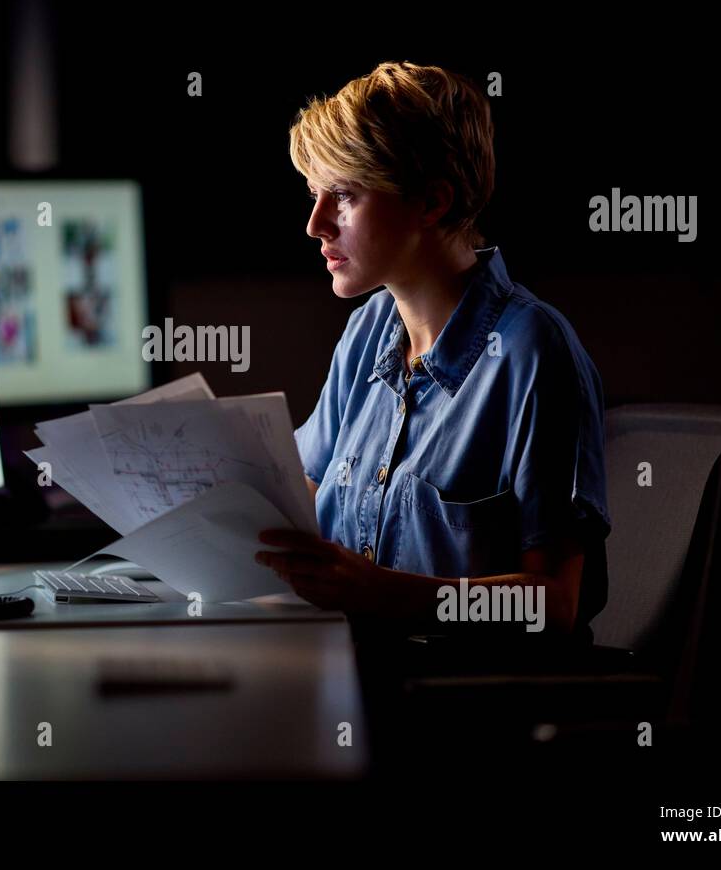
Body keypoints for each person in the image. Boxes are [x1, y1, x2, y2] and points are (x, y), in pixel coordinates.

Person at [255, 62, 610, 639]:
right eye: (314, 195)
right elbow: (304, 496)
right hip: (350, 671)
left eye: (343, 195)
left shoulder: (534, 354)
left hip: (463, 705)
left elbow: (555, 605)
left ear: (431, 203)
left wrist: (377, 592)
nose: (315, 223)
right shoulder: (367, 331)